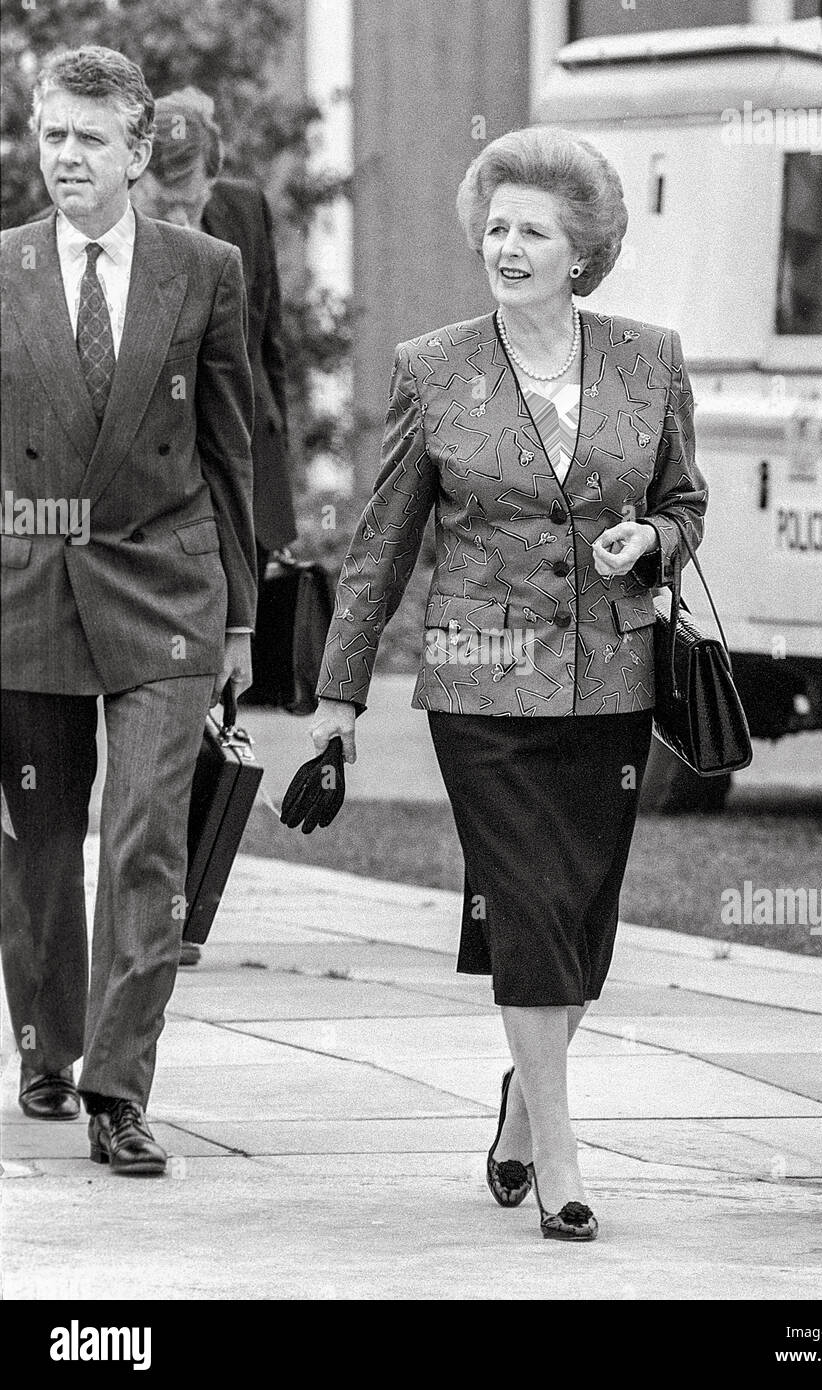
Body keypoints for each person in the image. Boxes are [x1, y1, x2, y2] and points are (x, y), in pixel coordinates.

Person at [310, 127, 708, 1240]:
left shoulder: (649, 357)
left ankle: (522, 1108)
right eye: (496, 228)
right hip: (480, 685)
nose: (510, 246)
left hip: (613, 679)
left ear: (582, 252)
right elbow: (382, 542)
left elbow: (685, 502)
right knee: (528, 906)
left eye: (534, 230)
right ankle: (566, 1161)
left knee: (582, 920)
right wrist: (339, 695)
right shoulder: (433, 366)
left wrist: (655, 547)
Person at [0, 47, 256, 1174]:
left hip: (167, 582)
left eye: (90, 139)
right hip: (30, 580)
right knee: (42, 849)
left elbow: (230, 447)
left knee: (147, 843)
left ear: (138, 152)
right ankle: (50, 1047)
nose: (66, 156)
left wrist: (240, 618)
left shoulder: (205, 269)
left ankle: (118, 1087)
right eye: (52, 134)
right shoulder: (0, 268)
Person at [130, 87, 297, 966]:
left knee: (216, 699)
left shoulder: (245, 214)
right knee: (173, 695)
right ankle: (161, 901)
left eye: (189, 184)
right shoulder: (119, 237)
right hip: (156, 486)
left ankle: (188, 897)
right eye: (163, 186)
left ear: (215, 170)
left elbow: (270, 351)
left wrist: (278, 502)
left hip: (237, 475)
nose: (179, 201)